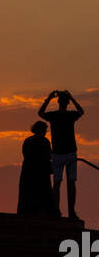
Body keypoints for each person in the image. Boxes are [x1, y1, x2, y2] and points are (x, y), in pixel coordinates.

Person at [38, 89, 84, 220]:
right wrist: (72, 97)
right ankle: (70, 212)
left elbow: (40, 112)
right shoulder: (70, 115)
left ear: (58, 102)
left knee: (58, 183)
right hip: (67, 153)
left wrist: (48, 98)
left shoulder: (54, 116)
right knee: (70, 183)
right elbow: (81, 111)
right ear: (67, 103)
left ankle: (57, 211)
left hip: (59, 153)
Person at [17, 120, 54, 216]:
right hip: (41, 172)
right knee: (42, 194)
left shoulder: (27, 140)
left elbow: (25, 154)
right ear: (42, 130)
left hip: (28, 171)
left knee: (27, 194)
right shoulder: (44, 141)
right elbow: (48, 156)